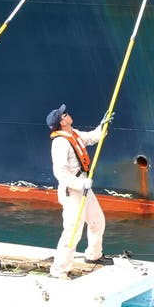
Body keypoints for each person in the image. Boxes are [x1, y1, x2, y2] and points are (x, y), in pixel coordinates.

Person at [47, 103, 106, 278]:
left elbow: (93, 137)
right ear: (62, 122)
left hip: (84, 187)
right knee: (73, 231)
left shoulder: (75, 134)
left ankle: (93, 256)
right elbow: (60, 172)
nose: (67, 114)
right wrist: (81, 185)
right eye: (64, 114)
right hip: (73, 191)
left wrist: (103, 125)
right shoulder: (60, 143)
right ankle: (59, 271)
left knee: (97, 221)